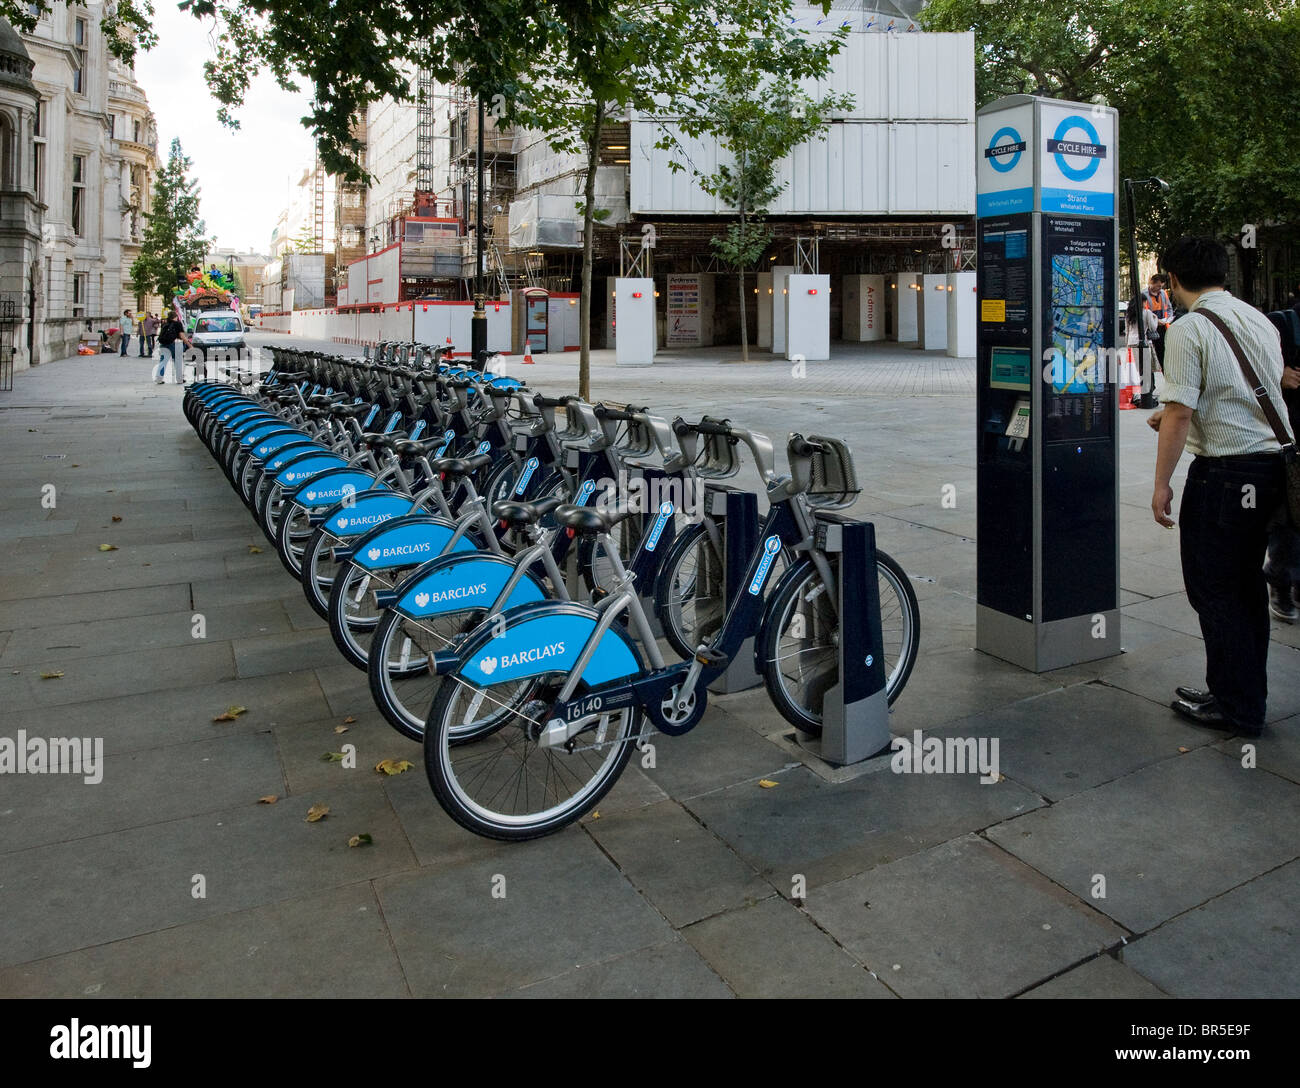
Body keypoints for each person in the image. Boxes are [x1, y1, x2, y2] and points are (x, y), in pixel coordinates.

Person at [1148, 236, 1293, 738]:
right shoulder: (1258, 319)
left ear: (1171, 279)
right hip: (1271, 469)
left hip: (1226, 477)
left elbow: (1182, 412)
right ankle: (1240, 692)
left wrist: (1162, 482)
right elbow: (1249, 394)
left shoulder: (1187, 330)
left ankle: (1237, 707)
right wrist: (1164, 416)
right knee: (1246, 588)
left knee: (1215, 590)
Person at [1144, 273, 1174, 367]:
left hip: (1163, 327)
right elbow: (1144, 312)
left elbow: (1169, 308)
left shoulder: (1163, 293)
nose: (1159, 288)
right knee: (1150, 353)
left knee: (1163, 352)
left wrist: (1168, 318)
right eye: (1158, 286)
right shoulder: (1143, 294)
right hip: (1150, 328)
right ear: (1152, 282)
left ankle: (1165, 369)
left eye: (1161, 286)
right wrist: (1156, 321)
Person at [153, 309, 191, 385]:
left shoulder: (165, 324)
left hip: (164, 344)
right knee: (178, 362)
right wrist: (189, 345)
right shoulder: (178, 324)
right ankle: (179, 379)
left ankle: (158, 378)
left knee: (163, 362)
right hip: (176, 344)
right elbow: (182, 336)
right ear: (176, 317)